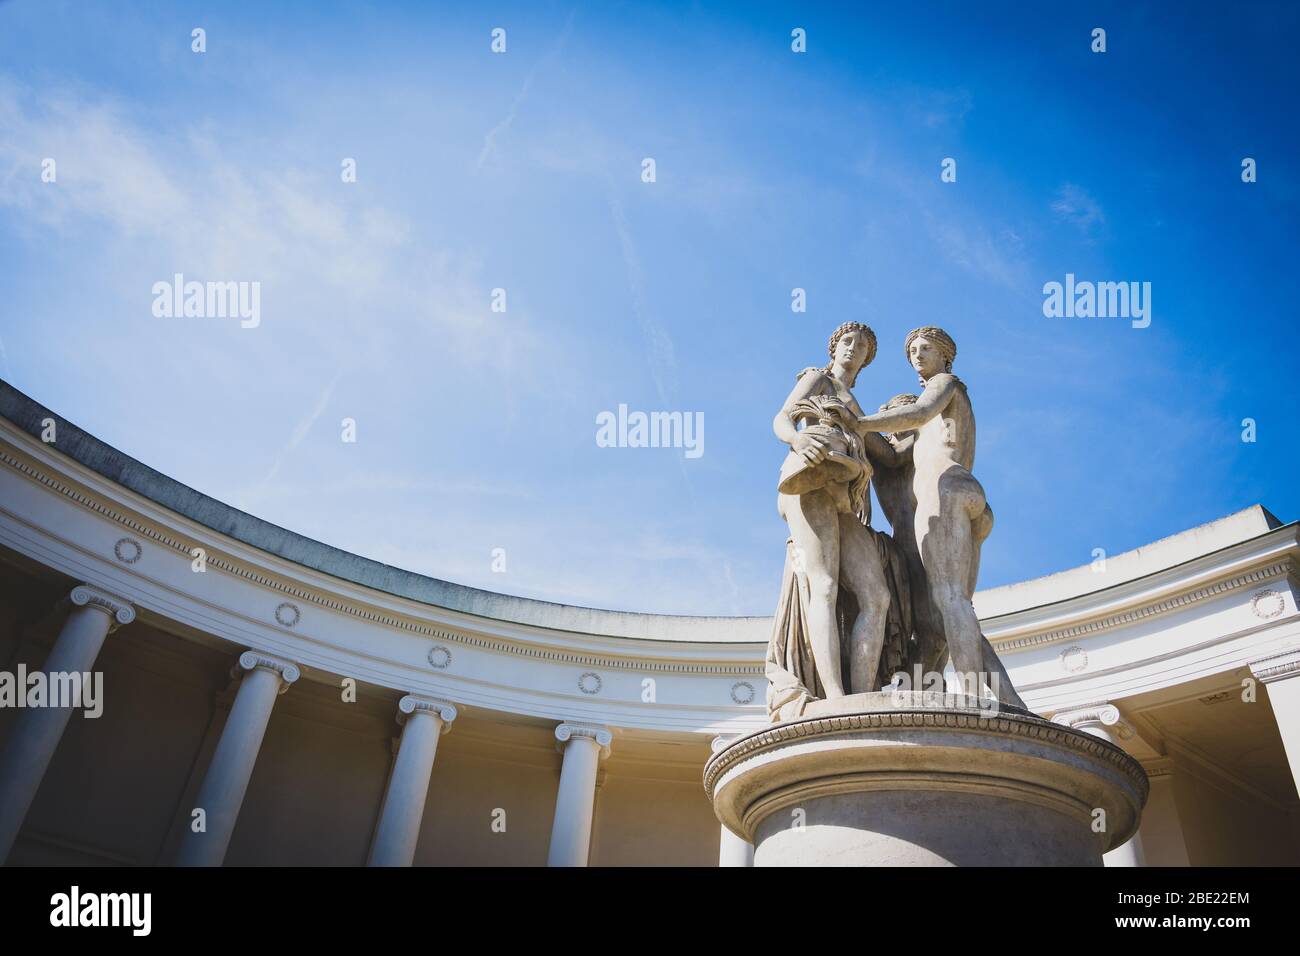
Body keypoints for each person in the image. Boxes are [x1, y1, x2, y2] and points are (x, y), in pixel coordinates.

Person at [856, 328, 1025, 710]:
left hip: (946, 490)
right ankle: (1011, 701)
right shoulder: (911, 448)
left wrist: (858, 421)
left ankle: (970, 699)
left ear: (946, 355)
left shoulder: (944, 384)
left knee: (950, 603)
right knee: (950, 613)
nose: (917, 355)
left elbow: (916, 413)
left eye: (925, 348)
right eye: (912, 350)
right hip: (967, 498)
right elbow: (894, 452)